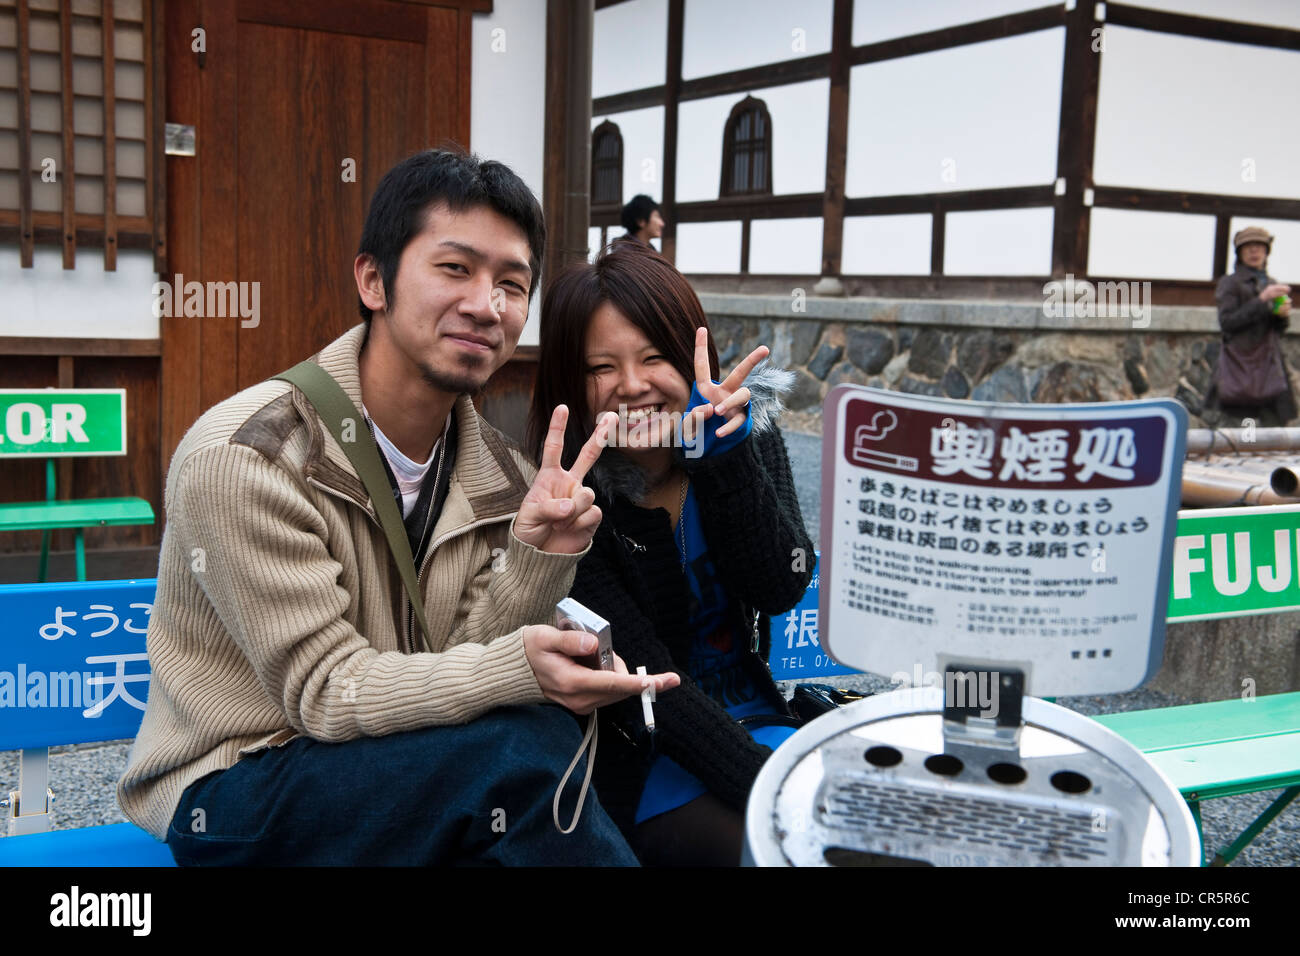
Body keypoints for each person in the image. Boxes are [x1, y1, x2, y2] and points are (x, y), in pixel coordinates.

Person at [117, 149, 678, 866]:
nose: (487, 304)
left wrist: (538, 557)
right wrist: (523, 670)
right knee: (521, 753)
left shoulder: (503, 473)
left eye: (513, 283)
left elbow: (454, 671)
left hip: (407, 762)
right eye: (455, 269)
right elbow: (325, 691)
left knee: (535, 749)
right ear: (374, 280)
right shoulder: (248, 455)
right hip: (242, 781)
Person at [526, 241, 813, 865]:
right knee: (779, 852)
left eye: (655, 357)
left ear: (690, 355)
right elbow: (647, 684)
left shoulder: (744, 440)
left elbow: (782, 583)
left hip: (756, 720)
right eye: (602, 367)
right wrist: (771, 788)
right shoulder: (571, 504)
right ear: (570, 383)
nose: (632, 386)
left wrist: (723, 459)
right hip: (649, 759)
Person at [1207, 226, 1295, 427]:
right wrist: (1262, 300)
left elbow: (1279, 329)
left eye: (1259, 247)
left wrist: (1281, 315)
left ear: (1266, 252)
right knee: (1244, 437)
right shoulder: (1230, 283)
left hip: (1270, 367)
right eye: (1248, 248)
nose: (1254, 252)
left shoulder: (1271, 283)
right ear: (1240, 253)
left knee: (1275, 437)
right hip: (1241, 367)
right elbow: (1227, 322)